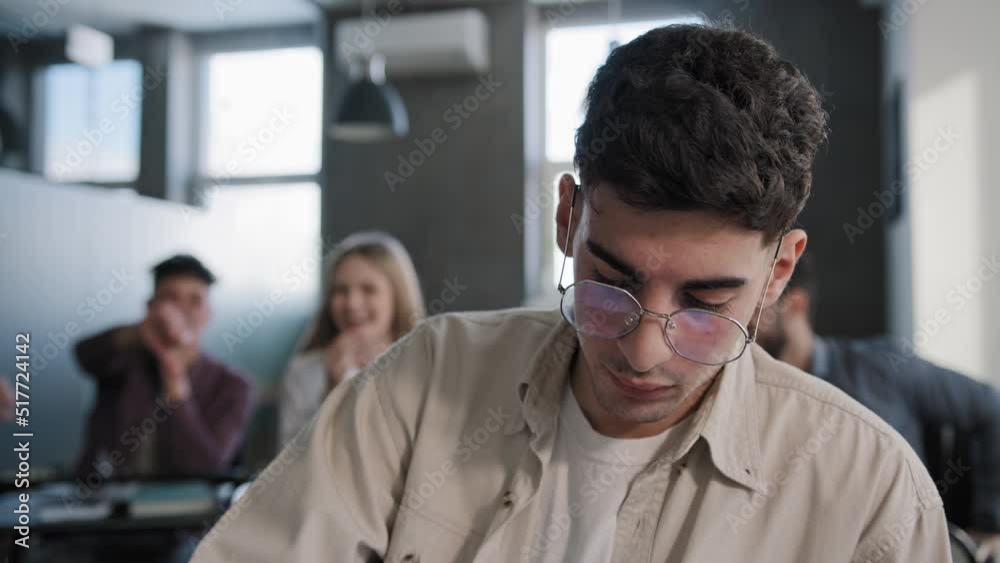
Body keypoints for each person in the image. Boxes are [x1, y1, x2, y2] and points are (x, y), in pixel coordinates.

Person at [191, 25, 950, 562]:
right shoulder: (425, 383)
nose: (642, 350)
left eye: (705, 304)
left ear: (779, 273)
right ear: (566, 217)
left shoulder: (865, 489)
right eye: (612, 284)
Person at [755, 253, 1000, 556]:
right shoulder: (752, 397)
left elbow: (991, 407)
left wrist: (991, 524)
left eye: (758, 314)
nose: (747, 330)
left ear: (795, 305)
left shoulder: (881, 367)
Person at [74, 254, 255, 478]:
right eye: (171, 298)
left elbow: (208, 468)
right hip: (106, 502)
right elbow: (85, 354)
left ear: (208, 313)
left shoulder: (232, 385)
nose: (182, 310)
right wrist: (141, 332)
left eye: (195, 300)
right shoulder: (122, 360)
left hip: (186, 509)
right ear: (150, 306)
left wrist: (175, 385)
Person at [278, 232, 425, 444]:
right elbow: (288, 463)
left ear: (397, 296)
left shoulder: (425, 364)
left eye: (368, 290)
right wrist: (332, 392)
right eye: (341, 291)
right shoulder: (304, 371)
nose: (352, 304)